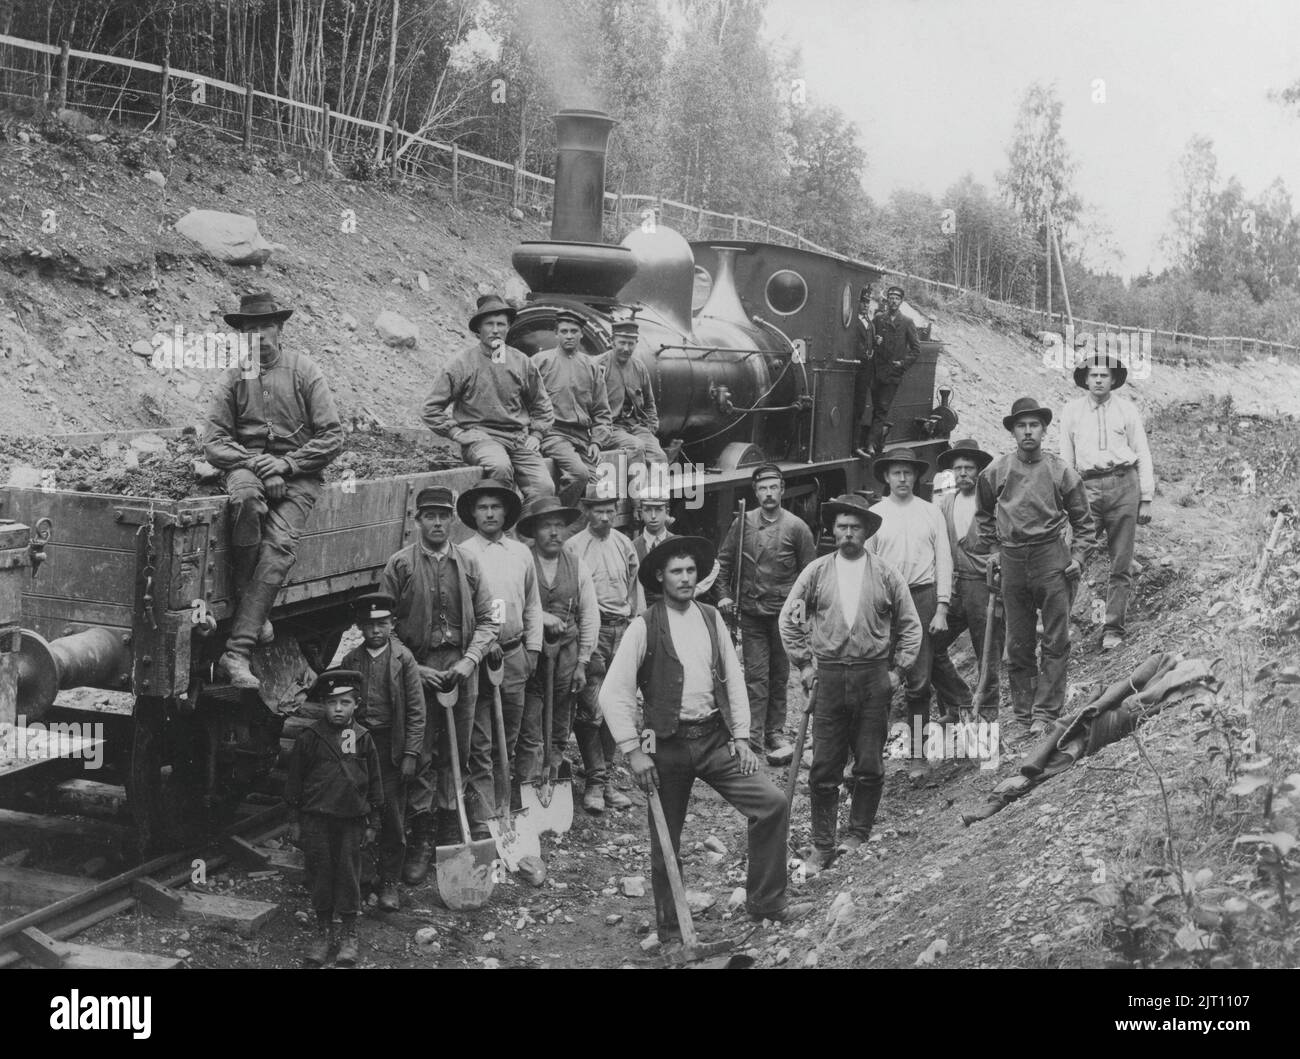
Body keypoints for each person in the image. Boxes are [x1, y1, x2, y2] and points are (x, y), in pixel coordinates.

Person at [603, 537, 798, 934]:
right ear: (660, 577)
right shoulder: (644, 626)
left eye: (691, 570)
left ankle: (766, 901)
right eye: (677, 571)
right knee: (665, 837)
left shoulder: (711, 617)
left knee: (772, 804)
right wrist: (633, 752)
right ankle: (672, 929)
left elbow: (735, 677)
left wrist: (741, 737)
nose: (685, 578)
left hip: (713, 739)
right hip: (663, 745)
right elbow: (614, 691)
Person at [204, 292, 344, 689]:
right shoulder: (234, 378)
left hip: (299, 473)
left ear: (279, 329)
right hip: (247, 469)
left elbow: (332, 436)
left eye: (265, 327)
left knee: (279, 546)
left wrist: (287, 464)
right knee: (245, 500)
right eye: (249, 330)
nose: (258, 336)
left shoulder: (304, 371)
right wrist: (256, 465)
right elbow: (214, 441)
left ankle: (237, 651)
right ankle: (255, 608)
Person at [779, 495, 922, 874]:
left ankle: (857, 834)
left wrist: (898, 671)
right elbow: (789, 620)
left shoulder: (886, 575)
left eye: (854, 527)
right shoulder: (816, 573)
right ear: (833, 531)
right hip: (828, 677)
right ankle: (823, 844)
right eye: (841, 527)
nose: (847, 534)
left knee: (870, 761)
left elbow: (910, 625)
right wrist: (806, 667)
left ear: (866, 532)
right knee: (825, 765)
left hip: (873, 676)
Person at [379, 486, 499, 884]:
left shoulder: (468, 563)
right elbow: (383, 629)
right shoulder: (400, 566)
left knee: (457, 751)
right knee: (420, 752)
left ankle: (452, 830)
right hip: (418, 671)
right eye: (428, 516)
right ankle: (421, 837)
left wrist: (469, 661)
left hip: (461, 670)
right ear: (417, 521)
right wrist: (413, 667)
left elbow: (488, 620)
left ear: (452, 520)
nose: (436, 523)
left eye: (443, 516)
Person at [976, 398, 1095, 739]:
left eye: (1034, 426)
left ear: (1043, 430)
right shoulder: (996, 471)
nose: (1028, 432)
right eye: (1021, 426)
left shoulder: (1060, 470)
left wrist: (1079, 557)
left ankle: (1047, 711)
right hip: (1012, 562)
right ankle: (1023, 713)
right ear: (1013, 431)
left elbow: (1083, 522)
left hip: (1051, 560)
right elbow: (984, 515)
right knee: (1018, 643)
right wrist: (995, 550)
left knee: (1056, 639)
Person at [868, 448, 967, 758]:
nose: (902, 478)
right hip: (885, 602)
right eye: (896, 472)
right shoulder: (874, 514)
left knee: (920, 680)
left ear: (915, 476)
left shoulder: (930, 512)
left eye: (907, 473)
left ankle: (917, 754)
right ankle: (869, 757)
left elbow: (944, 561)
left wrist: (941, 607)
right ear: (886, 476)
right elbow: (867, 566)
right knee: (879, 678)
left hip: (922, 596)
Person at [716, 464, 816, 765]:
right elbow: (723, 562)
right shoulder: (743, 523)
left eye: (773, 488)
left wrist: (799, 618)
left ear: (782, 490)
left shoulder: (797, 527)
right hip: (751, 611)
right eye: (762, 488)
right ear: (755, 492)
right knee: (756, 676)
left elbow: (808, 576)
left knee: (780, 674)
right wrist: (723, 595)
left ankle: (775, 732)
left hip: (784, 615)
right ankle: (754, 737)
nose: (768, 494)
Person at [284, 668, 383, 967]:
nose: (337, 709)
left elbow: (375, 783)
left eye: (345, 703)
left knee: (349, 874)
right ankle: (323, 932)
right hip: (317, 820)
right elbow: (294, 783)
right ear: (323, 704)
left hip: (351, 821)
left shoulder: (364, 739)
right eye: (331, 703)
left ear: (356, 704)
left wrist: (374, 822)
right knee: (320, 873)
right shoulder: (310, 738)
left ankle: (349, 933)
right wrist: (294, 820)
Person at [1058, 352, 1154, 650]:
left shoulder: (1127, 411)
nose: (1099, 380)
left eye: (1104, 376)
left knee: (1121, 561)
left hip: (1124, 485)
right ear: (1085, 380)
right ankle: (1057, 626)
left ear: (1113, 380)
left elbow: (1142, 452)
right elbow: (1065, 459)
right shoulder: (1071, 412)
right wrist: (1065, 500)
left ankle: (1113, 627)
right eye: (1093, 376)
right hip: (1086, 489)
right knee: (1071, 559)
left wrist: (1146, 497)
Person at [457, 480, 542, 818]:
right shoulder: (464, 554)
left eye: (495, 507)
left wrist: (532, 649)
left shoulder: (521, 552)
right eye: (482, 507)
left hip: (514, 653)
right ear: (473, 514)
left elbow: (532, 604)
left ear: (506, 512)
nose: (489, 513)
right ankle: (484, 813)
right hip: (480, 659)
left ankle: (511, 807)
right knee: (481, 740)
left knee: (511, 733)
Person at [421, 293, 556, 501]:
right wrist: (457, 433)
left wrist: (536, 434)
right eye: (489, 324)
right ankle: (498, 527)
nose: (495, 330)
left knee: (544, 487)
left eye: (501, 324)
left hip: (519, 440)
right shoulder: (462, 363)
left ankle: (521, 531)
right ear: (478, 330)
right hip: (482, 439)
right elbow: (430, 409)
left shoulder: (522, 362)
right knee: (500, 469)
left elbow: (542, 404)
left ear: (508, 328)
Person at [337, 593, 424, 912]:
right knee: (358, 811)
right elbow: (342, 711)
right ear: (360, 627)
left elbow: (416, 711)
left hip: (391, 747)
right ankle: (360, 878)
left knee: (391, 816)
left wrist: (411, 753)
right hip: (361, 747)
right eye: (370, 625)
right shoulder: (351, 661)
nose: (376, 631)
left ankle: (389, 882)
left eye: (382, 624)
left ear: (392, 625)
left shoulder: (404, 659)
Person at [564, 487, 638, 813]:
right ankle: (594, 782)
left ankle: (605, 779)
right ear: (586, 510)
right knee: (591, 708)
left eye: (610, 510)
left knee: (616, 706)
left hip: (622, 631)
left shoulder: (624, 543)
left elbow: (634, 585)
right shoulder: (574, 547)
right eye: (599, 511)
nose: (605, 517)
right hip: (592, 631)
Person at [518, 496, 599, 790]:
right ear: (534, 531)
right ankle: (529, 783)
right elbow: (510, 604)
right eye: (546, 526)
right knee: (530, 722)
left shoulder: (577, 565)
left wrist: (582, 662)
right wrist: (540, 616)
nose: (553, 533)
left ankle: (553, 775)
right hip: (530, 653)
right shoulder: (521, 559)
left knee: (562, 716)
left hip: (566, 654)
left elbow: (590, 615)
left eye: (559, 526)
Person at [931, 439, 1003, 722]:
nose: (962, 473)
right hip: (953, 586)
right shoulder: (945, 503)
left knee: (987, 655)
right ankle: (956, 703)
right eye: (958, 468)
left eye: (968, 468)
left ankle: (987, 718)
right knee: (931, 647)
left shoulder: (991, 502)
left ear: (979, 471)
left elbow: (1004, 542)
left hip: (983, 587)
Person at [533, 308, 614, 507]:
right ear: (556, 333)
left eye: (573, 331)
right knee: (579, 474)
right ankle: (556, 518)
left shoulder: (591, 366)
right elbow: (524, 400)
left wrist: (597, 441)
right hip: (553, 434)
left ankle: (578, 531)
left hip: (582, 437)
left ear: (581, 334)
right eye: (564, 331)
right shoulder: (540, 361)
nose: (569, 336)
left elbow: (602, 411)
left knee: (600, 490)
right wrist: (534, 433)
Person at [600, 317, 669, 466]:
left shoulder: (639, 367)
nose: (626, 348)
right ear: (612, 342)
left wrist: (651, 427)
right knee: (635, 447)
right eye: (622, 343)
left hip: (635, 427)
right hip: (609, 428)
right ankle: (634, 489)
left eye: (630, 343)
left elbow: (649, 402)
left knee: (660, 457)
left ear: (636, 344)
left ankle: (654, 490)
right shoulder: (599, 366)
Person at [864, 285, 920, 455]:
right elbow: (869, 340)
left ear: (901, 301)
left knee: (881, 409)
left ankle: (870, 444)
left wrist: (902, 364)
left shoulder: (907, 322)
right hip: (876, 371)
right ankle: (878, 443)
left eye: (897, 298)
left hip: (893, 374)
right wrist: (875, 341)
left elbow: (916, 350)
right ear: (887, 300)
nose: (893, 301)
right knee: (876, 408)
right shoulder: (879, 319)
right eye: (891, 298)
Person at [852, 285, 878, 457]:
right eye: (862, 302)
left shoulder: (869, 322)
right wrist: (864, 353)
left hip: (868, 369)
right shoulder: (854, 322)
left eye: (867, 302)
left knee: (866, 407)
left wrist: (876, 343)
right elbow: (854, 343)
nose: (865, 305)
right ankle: (855, 445)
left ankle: (864, 442)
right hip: (858, 369)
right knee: (857, 407)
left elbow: (870, 343)